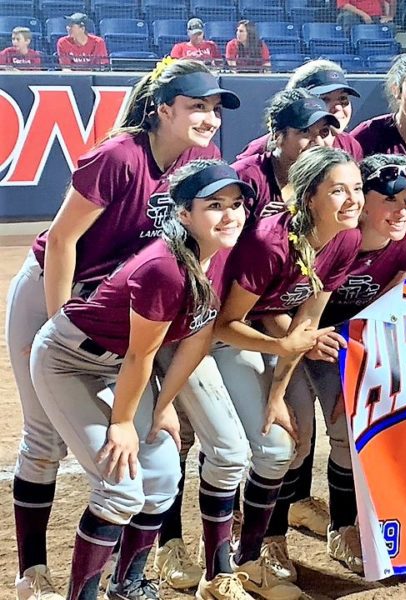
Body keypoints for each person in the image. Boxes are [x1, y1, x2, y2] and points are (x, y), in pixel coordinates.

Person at [6, 58, 236, 600]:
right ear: (162, 109)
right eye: (196, 106)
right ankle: (32, 575)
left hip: (127, 304)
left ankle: (126, 581)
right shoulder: (120, 155)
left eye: (214, 108)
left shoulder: (199, 161)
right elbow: (62, 241)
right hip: (54, 291)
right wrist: (60, 318)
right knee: (42, 441)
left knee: (147, 452)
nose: (208, 118)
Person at [209, 146, 363, 599]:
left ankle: (258, 548)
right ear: (310, 197)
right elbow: (228, 320)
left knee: (292, 433)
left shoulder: (345, 238)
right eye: (338, 190)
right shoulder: (269, 241)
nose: (353, 199)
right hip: (215, 334)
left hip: (269, 333)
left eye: (356, 188)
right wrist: (282, 352)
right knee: (273, 444)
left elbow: (306, 322)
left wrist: (279, 388)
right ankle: (254, 549)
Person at [311, 154, 406, 573]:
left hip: (347, 338)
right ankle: (256, 527)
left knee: (350, 428)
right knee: (283, 435)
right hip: (293, 332)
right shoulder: (337, 236)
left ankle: (343, 527)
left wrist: (362, 374)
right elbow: (292, 303)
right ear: (364, 199)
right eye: (391, 199)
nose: (403, 210)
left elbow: (391, 299)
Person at [233, 90, 339, 220]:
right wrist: (263, 227)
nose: (318, 142)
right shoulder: (245, 177)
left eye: (324, 131)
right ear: (277, 137)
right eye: (305, 131)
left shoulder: (332, 177)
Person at [238, 60, 363, 160]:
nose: (338, 108)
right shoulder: (260, 151)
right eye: (324, 99)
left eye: (343, 99)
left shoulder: (350, 145)